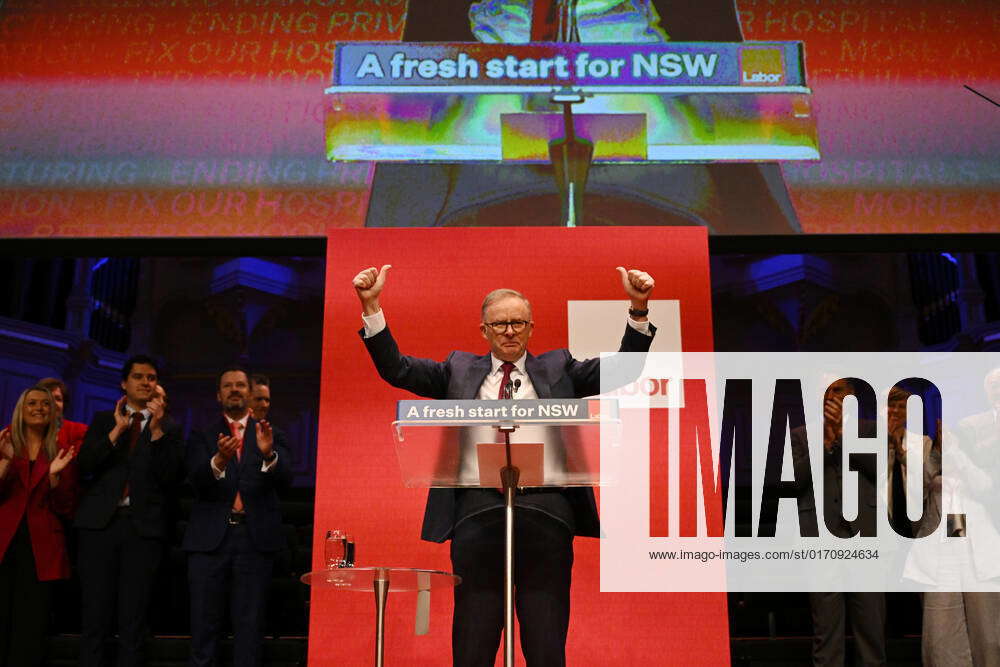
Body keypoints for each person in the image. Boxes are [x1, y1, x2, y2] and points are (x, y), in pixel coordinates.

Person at [352, 263, 656, 666]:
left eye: (517, 323)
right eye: (499, 325)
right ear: (483, 331)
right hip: (477, 516)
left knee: (546, 646)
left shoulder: (558, 366)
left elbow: (624, 369)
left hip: (546, 513)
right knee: (473, 645)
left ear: (531, 327)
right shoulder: (457, 369)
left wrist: (638, 308)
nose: (509, 331)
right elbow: (398, 369)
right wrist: (371, 306)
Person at [75, 355, 183, 667]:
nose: (145, 382)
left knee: (133, 620)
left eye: (151, 377)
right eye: (138, 377)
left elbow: (172, 478)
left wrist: (158, 429)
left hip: (143, 531)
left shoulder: (171, 429)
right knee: (94, 616)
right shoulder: (102, 421)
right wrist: (116, 432)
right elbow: (84, 467)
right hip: (99, 528)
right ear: (124, 383)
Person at [183, 366, 292, 667]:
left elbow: (287, 481)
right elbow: (193, 481)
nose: (234, 390)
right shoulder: (202, 435)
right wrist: (218, 460)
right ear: (219, 395)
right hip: (209, 543)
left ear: (250, 393)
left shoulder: (270, 433)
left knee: (250, 628)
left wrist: (269, 454)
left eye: (240, 385)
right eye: (228, 386)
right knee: (204, 628)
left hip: (254, 543)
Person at [793, 377, 886, 666]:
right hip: (820, 537)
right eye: (824, 391)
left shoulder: (870, 430)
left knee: (871, 624)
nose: (830, 396)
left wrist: (843, 436)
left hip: (865, 534)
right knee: (826, 627)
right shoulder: (801, 435)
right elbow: (793, 481)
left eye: (837, 390)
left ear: (851, 395)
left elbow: (878, 469)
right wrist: (824, 443)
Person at [0, 385, 77, 667]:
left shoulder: (61, 450)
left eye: (45, 404)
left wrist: (55, 477)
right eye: (32, 403)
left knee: (31, 626)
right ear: (21, 409)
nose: (39, 408)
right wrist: (5, 462)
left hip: (41, 548)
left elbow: (67, 507)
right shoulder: (4, 442)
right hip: (4, 544)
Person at [37, 377, 88, 453]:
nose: (53, 403)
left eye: (58, 399)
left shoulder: (78, 431)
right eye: (48, 398)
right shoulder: (23, 432)